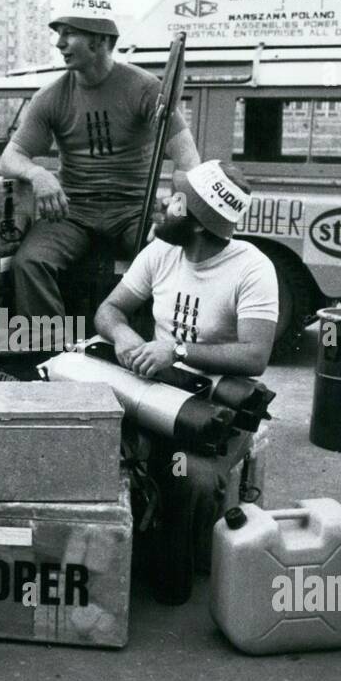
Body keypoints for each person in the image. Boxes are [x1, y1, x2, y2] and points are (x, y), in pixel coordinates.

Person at [94, 160, 279, 604]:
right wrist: (124, 337)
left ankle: (174, 558)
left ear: (195, 223)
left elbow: (255, 356)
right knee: (89, 441)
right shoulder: (161, 251)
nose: (164, 203)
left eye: (176, 201)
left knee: (187, 474)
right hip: (153, 391)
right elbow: (109, 311)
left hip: (216, 411)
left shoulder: (253, 268)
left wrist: (175, 351)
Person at [0, 0, 202, 321]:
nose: (59, 44)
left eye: (69, 33)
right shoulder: (50, 96)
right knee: (30, 263)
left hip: (134, 209)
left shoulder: (144, 88)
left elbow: (188, 160)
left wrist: (175, 209)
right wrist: (39, 175)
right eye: (58, 34)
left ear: (98, 40)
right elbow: (10, 157)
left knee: (172, 258)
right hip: (74, 211)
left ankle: (157, 348)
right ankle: (48, 356)